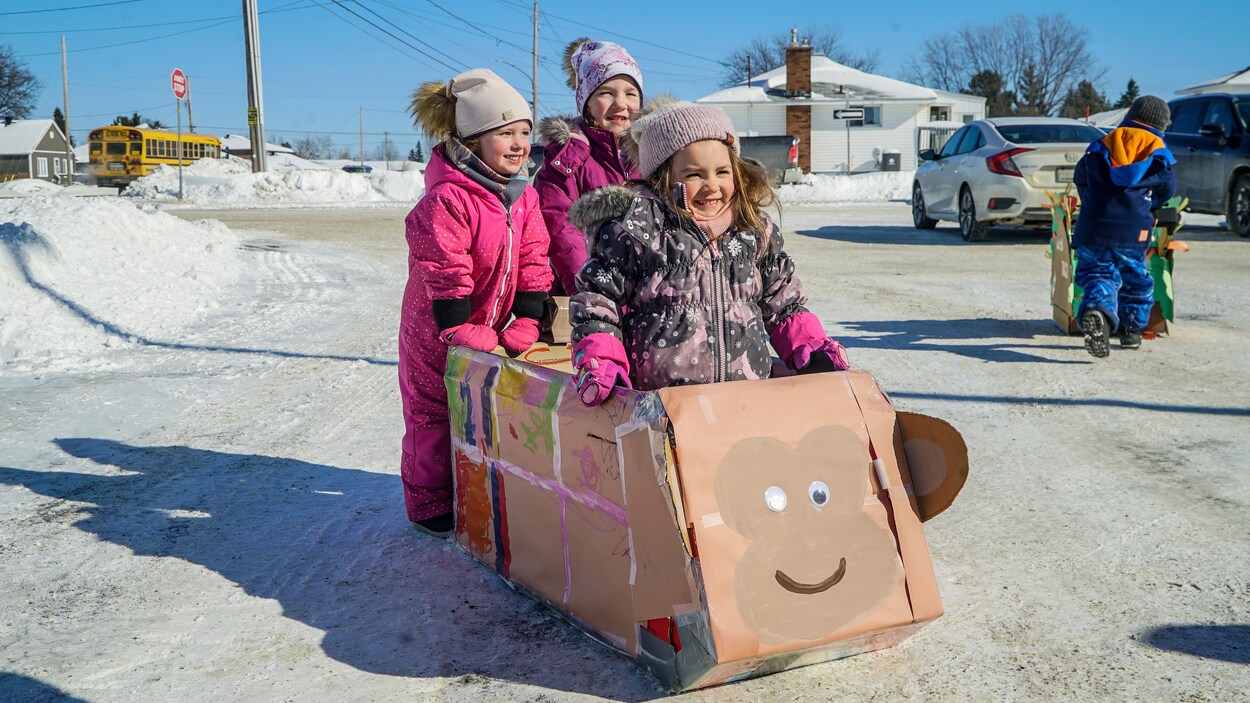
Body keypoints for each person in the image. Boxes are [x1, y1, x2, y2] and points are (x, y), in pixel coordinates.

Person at [565, 100, 849, 404]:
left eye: (722, 171)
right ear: (664, 177)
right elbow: (597, 302)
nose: (711, 185)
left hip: (746, 399)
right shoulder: (639, 231)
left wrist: (810, 346)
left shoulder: (751, 229)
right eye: (695, 174)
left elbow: (783, 305)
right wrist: (603, 359)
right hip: (665, 405)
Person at [400, 68, 552, 535]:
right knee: (432, 414)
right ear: (472, 140)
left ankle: (480, 491)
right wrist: (456, 322)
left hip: (490, 323)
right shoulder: (450, 197)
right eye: (505, 133)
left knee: (483, 411)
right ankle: (430, 505)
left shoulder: (522, 197)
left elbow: (533, 257)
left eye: (525, 132)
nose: (519, 143)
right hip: (433, 327)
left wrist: (528, 316)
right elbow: (444, 263)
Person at [534, 39, 644, 294]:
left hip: (647, 295)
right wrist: (590, 291)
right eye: (606, 93)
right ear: (586, 103)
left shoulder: (653, 156)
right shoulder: (566, 159)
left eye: (630, 93)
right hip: (589, 292)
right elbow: (562, 230)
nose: (621, 103)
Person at [1072, 95, 1177, 358]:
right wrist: (1151, 207)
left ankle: (1100, 314)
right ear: (1160, 124)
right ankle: (1130, 331)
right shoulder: (1158, 149)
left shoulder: (1102, 144)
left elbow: (1080, 177)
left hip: (1093, 226)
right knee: (1136, 280)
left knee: (1098, 274)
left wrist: (1091, 202)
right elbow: (1168, 189)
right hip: (1133, 228)